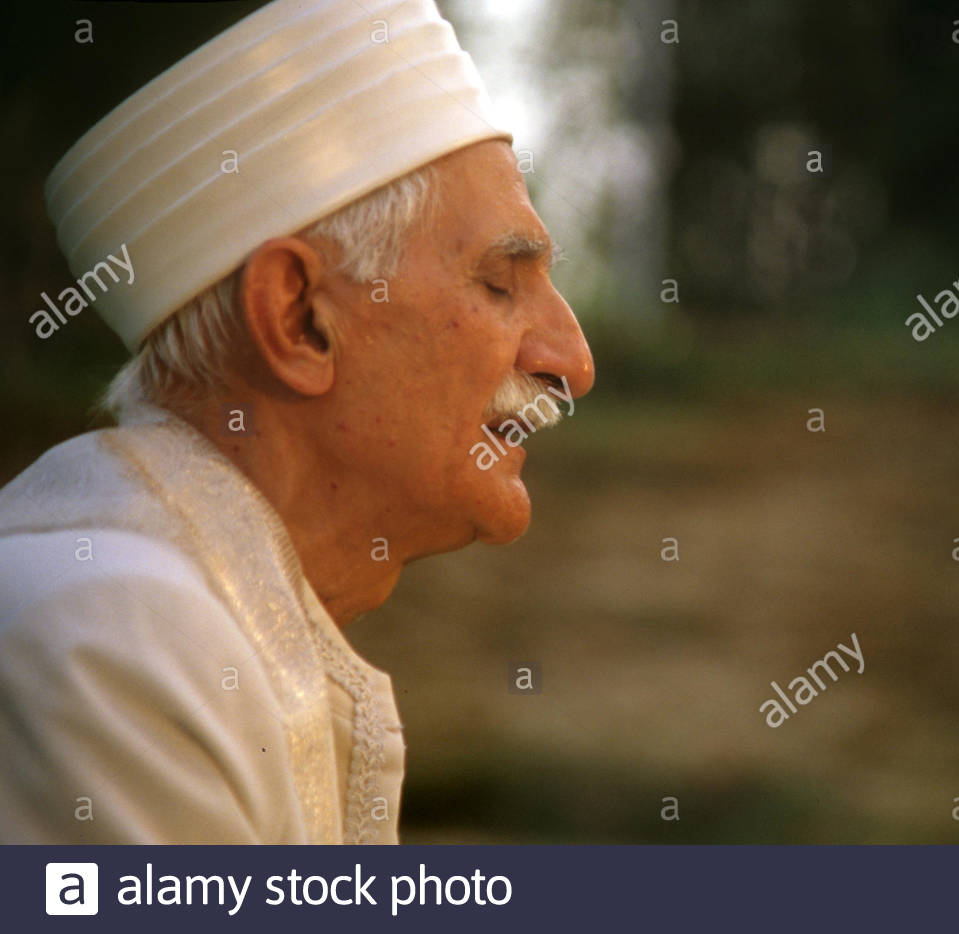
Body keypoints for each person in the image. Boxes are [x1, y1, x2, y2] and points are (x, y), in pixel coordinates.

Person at [0, 0, 593, 843]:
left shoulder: (165, 622)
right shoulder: (105, 648)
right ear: (298, 317)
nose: (573, 362)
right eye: (501, 284)